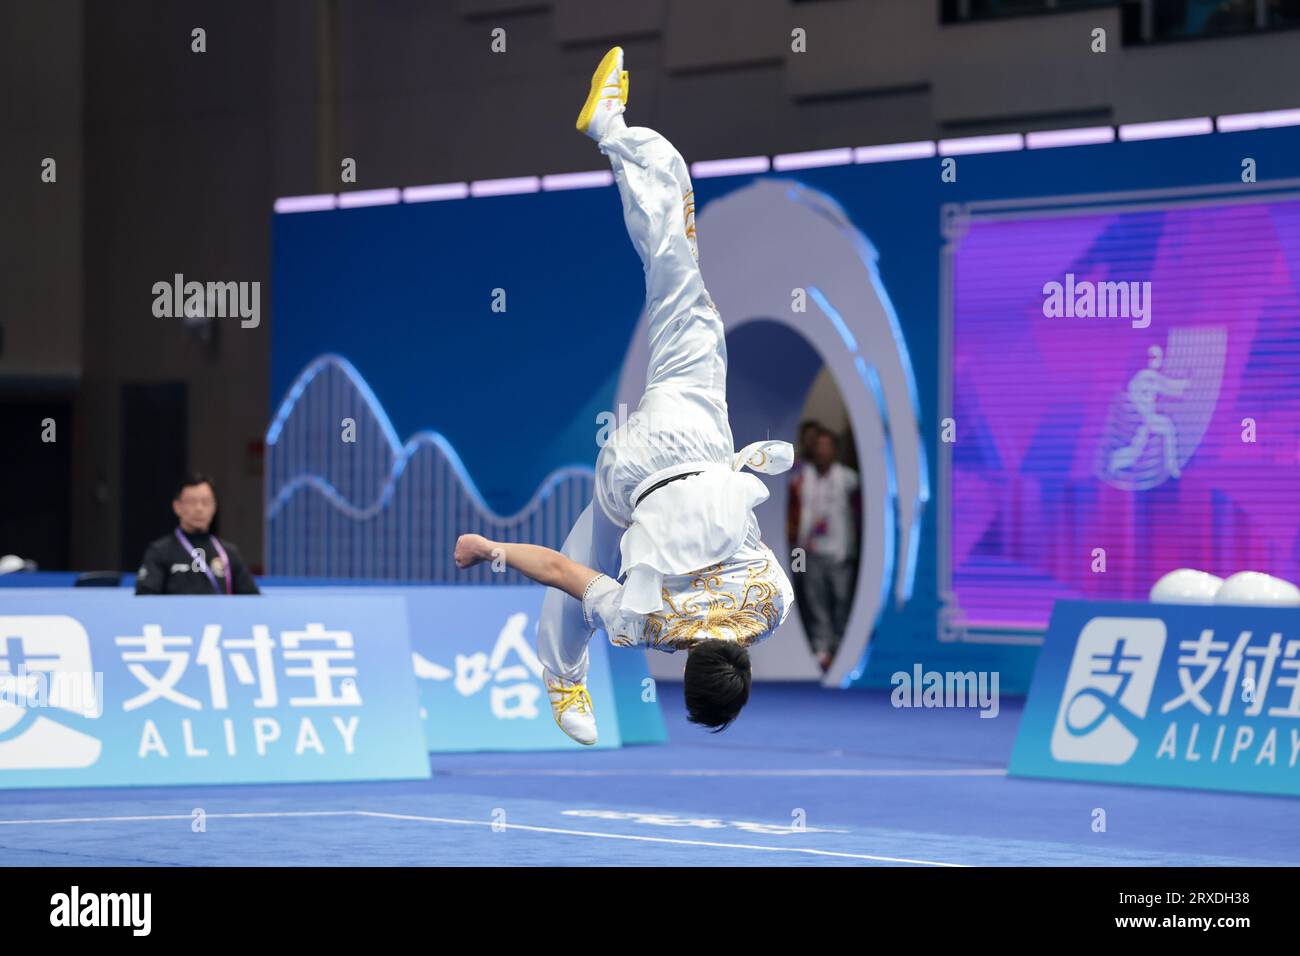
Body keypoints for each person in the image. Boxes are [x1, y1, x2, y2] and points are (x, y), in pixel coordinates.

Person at [454, 46, 795, 745]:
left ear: (746, 670)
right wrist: (488, 548)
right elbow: (558, 569)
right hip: (631, 475)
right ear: (684, 674)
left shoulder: (773, 607)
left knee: (676, 267)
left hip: (694, 436)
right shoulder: (644, 625)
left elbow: (736, 538)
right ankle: (562, 681)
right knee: (585, 559)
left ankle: (612, 128)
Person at [791, 428, 859, 670]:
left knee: (841, 601)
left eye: (826, 446)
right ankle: (821, 649)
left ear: (834, 450)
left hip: (839, 552)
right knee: (815, 602)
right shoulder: (804, 475)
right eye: (818, 446)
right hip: (811, 551)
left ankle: (841, 646)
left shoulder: (849, 478)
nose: (822, 451)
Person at [136, 474, 260, 595]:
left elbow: (251, 598)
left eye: (206, 502)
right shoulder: (160, 551)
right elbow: (145, 597)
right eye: (191, 502)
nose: (199, 508)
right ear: (177, 506)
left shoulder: (229, 553)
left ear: (214, 507)